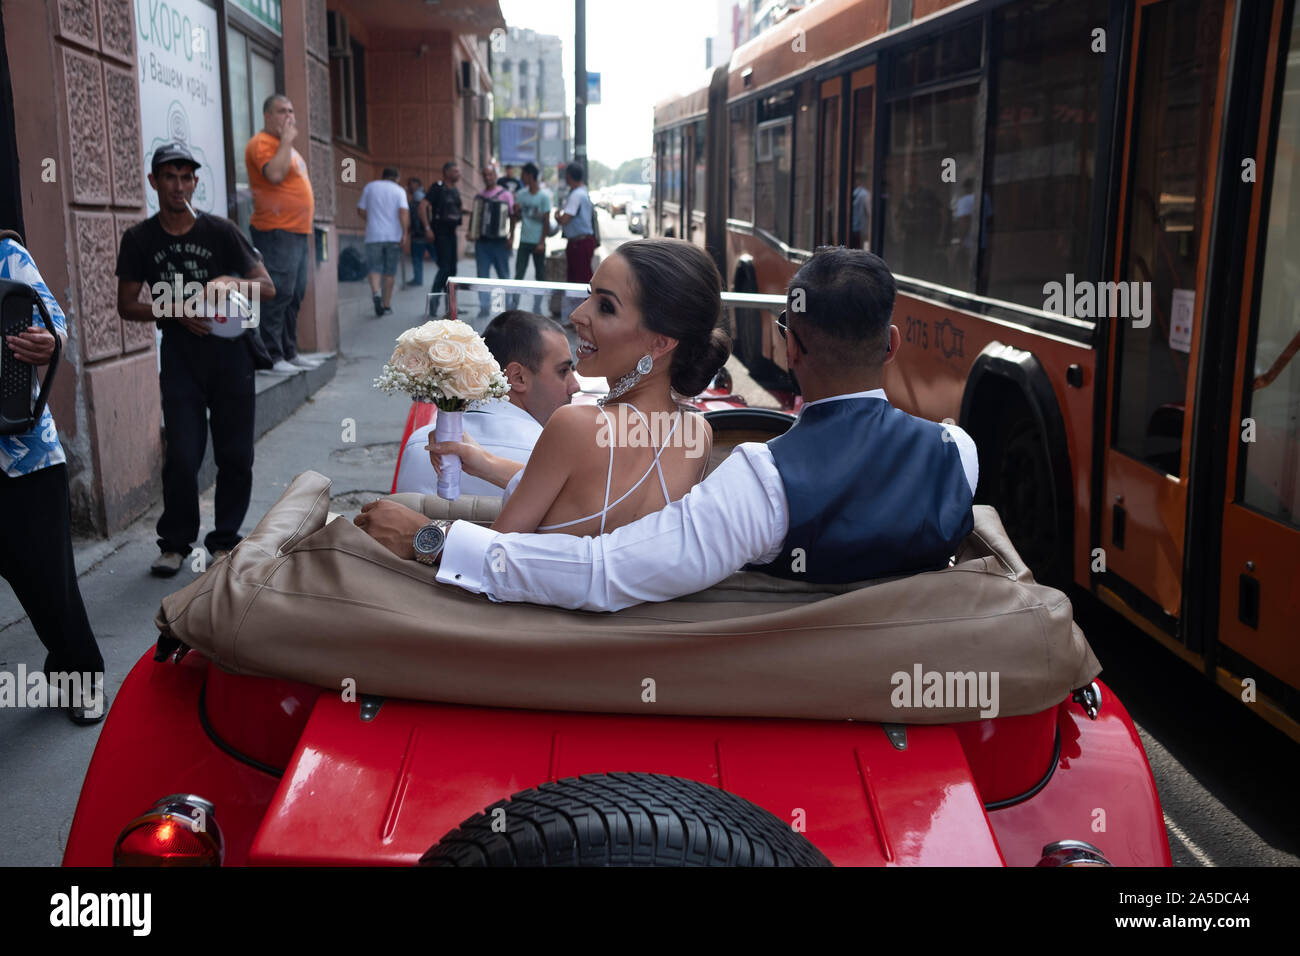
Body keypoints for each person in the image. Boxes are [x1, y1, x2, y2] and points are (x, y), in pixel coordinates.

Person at [359, 247, 978, 612]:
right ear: (891, 343)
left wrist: (432, 540)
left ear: (789, 349)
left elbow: (603, 571)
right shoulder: (959, 454)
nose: (582, 315)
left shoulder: (761, 484)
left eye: (604, 304)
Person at [358, 238, 728, 545]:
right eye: (588, 295)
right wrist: (484, 463)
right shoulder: (698, 434)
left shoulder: (575, 424)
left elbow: (493, 558)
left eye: (605, 306)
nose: (578, 315)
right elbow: (594, 499)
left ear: (660, 343)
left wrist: (420, 534)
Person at [116, 142, 275, 577]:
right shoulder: (139, 239)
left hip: (231, 356)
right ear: (154, 182)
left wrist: (231, 281)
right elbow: (126, 305)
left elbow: (268, 287)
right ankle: (174, 544)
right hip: (182, 357)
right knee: (183, 454)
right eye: (170, 176)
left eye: (186, 177)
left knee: (236, 455)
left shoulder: (220, 232)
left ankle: (225, 540)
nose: (179, 185)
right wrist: (175, 311)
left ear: (195, 183)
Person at [0, 230, 106, 723]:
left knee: (50, 586)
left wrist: (49, 342)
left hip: (24, 458)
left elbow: (55, 324)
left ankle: (78, 675)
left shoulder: (5, 253)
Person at [394, 310, 578, 496]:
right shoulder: (557, 459)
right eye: (563, 371)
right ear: (518, 377)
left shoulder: (418, 445)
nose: (575, 385)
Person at [244, 94, 318, 373]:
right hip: (276, 230)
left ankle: (288, 351)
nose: (288, 116)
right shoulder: (261, 143)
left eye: (291, 111)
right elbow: (274, 176)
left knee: (295, 293)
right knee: (278, 291)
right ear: (267, 116)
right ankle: (270, 356)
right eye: (281, 111)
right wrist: (287, 140)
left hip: (297, 230)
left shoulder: (286, 148)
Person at [358, 166, 409, 316]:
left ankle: (376, 293)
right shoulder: (399, 191)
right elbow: (403, 213)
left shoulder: (370, 187)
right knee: (389, 272)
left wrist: (372, 220)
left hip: (373, 235)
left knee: (374, 267)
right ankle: (386, 305)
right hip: (393, 237)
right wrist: (404, 233)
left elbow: (360, 210)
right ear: (397, 178)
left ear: (383, 176)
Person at [473, 162, 515, 315]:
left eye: (490, 174)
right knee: (482, 276)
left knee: (503, 275)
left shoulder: (505, 194)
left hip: (500, 242)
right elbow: (475, 219)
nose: (487, 177)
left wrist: (511, 237)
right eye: (485, 175)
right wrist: (472, 232)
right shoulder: (479, 197)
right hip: (482, 243)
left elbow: (513, 216)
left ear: (495, 176)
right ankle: (484, 307)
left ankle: (506, 308)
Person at [510, 162, 552, 312]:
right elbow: (516, 218)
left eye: (523, 175)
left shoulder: (544, 198)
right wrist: (512, 234)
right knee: (519, 274)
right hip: (524, 241)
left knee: (540, 276)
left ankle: (537, 307)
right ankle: (514, 306)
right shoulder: (521, 195)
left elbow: (546, 222)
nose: (521, 178)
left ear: (529, 175)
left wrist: (541, 242)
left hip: (538, 242)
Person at [427, 161, 466, 313]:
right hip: (440, 233)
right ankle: (433, 304)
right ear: (447, 172)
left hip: (451, 233)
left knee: (452, 270)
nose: (458, 174)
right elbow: (423, 206)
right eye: (455, 171)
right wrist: (427, 228)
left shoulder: (455, 190)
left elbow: (457, 210)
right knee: (444, 269)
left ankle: (451, 307)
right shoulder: (437, 187)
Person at [556, 161, 596, 286]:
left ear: (568, 176)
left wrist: (557, 216)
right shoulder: (583, 192)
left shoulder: (576, 195)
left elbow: (564, 220)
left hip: (579, 244)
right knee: (581, 277)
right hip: (583, 242)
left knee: (579, 280)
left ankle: (583, 305)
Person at [405, 177, 434, 288]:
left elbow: (415, 217)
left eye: (410, 184)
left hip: (420, 233)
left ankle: (418, 279)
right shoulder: (424, 197)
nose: (409, 187)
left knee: (418, 258)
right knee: (435, 257)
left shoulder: (418, 199)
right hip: (425, 233)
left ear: (417, 184)